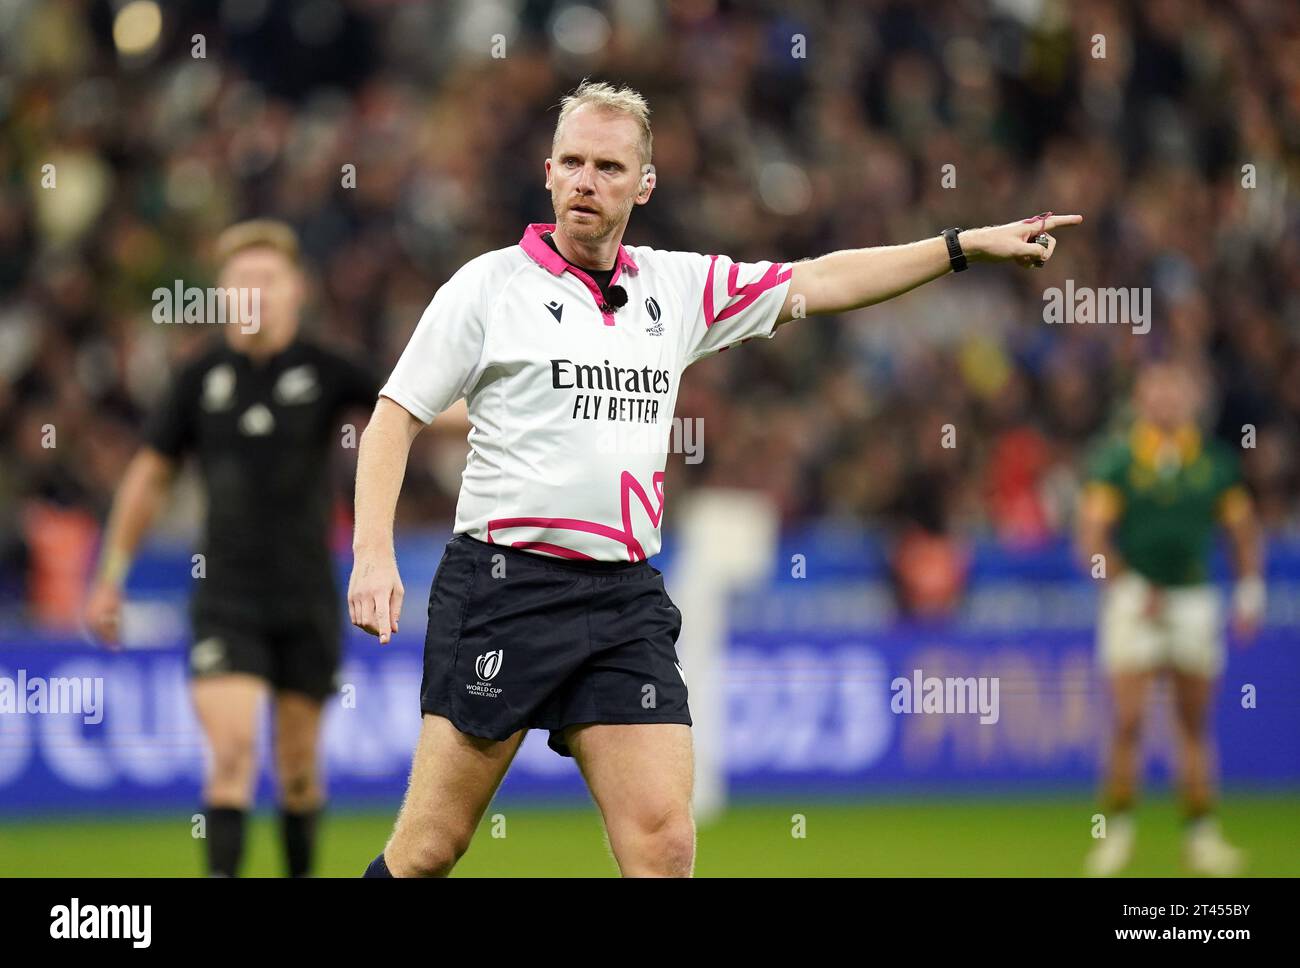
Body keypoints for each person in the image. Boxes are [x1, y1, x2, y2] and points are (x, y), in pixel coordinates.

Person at [349, 79, 1082, 878]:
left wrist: (960, 247)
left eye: (609, 166)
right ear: (547, 172)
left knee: (664, 849)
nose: (587, 181)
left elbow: (819, 281)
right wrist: (373, 554)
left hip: (622, 599)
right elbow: (394, 416)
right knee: (429, 850)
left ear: (645, 184)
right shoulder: (487, 287)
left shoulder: (677, 287)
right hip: (505, 586)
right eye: (572, 162)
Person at [86, 220, 380, 876]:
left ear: (295, 289)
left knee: (300, 769)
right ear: (222, 293)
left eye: (267, 278)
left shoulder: (327, 369)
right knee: (233, 753)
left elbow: (408, 407)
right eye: (242, 280)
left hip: (307, 595)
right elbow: (148, 476)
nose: (254, 291)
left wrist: (502, 409)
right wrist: (111, 576)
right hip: (226, 597)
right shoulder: (199, 379)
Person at [1078, 359, 1264, 877]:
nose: (1165, 402)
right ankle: (1114, 834)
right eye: (1155, 393)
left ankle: (1201, 837)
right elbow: (1089, 542)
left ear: (1188, 400)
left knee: (1193, 723)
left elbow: (1243, 532)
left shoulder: (1214, 462)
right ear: (1140, 401)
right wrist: (1130, 586)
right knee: (1128, 720)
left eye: (1173, 392)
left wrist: (1249, 591)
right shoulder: (1116, 462)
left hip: (1192, 600)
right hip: (1133, 602)